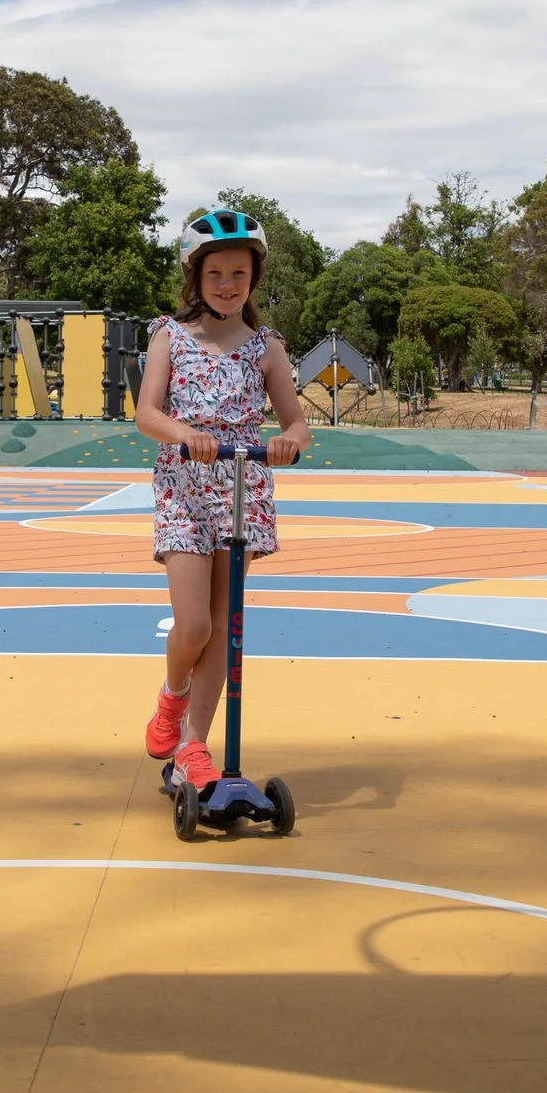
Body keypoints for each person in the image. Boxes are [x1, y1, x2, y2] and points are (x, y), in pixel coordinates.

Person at [134, 209, 311, 793]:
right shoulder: (171, 334)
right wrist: (185, 435)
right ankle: (172, 696)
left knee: (226, 629)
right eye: (216, 274)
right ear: (196, 278)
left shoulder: (266, 346)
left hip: (242, 489)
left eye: (239, 273)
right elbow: (147, 413)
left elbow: (296, 421)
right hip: (186, 487)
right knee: (194, 625)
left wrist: (287, 441)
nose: (228, 284)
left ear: (253, 279)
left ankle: (194, 747)